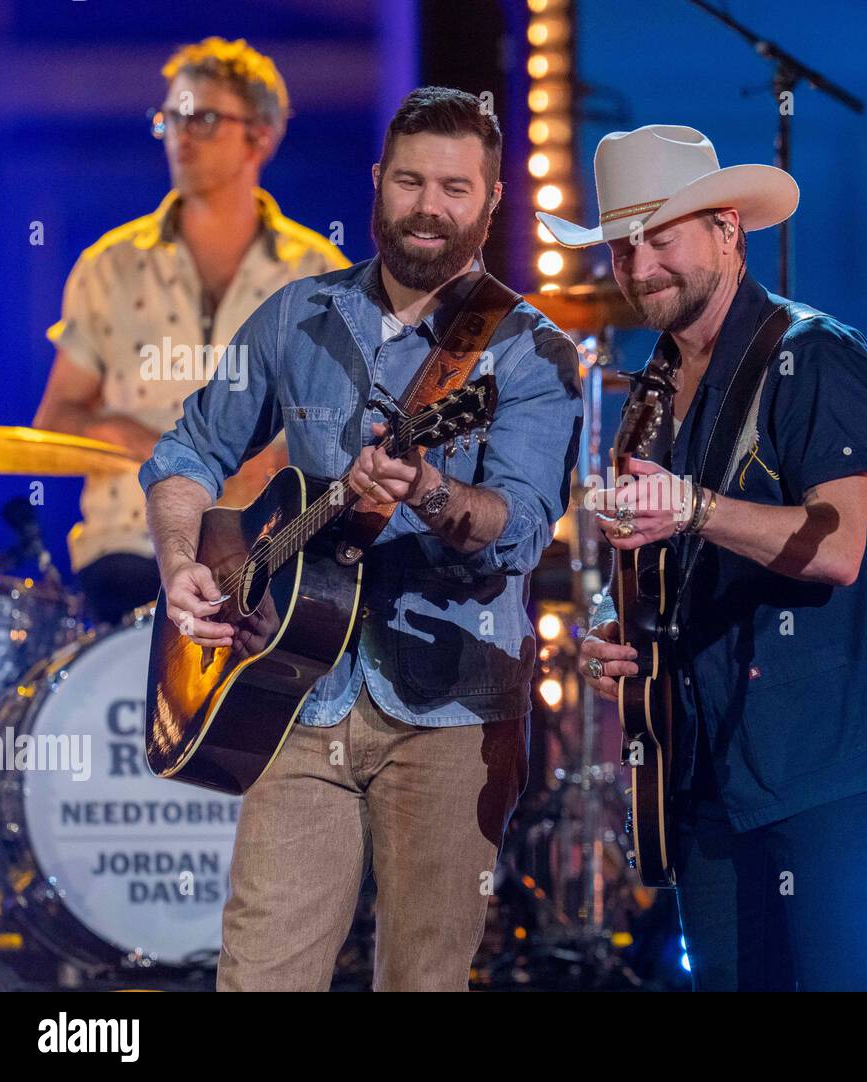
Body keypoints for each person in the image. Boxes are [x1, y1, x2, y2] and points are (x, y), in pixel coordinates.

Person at [139, 86, 582, 991]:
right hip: (294, 698)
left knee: (423, 979)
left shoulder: (531, 353)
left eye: (457, 189)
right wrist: (183, 561)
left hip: (454, 710)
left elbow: (523, 529)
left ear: (493, 200)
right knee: (259, 974)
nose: (430, 207)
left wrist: (429, 489)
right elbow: (188, 451)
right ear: (378, 184)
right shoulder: (297, 315)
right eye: (411, 181)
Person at [549, 125, 867, 991]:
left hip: (825, 764)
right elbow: (653, 557)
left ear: (729, 232)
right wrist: (609, 629)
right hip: (706, 768)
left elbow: (838, 546)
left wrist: (695, 507)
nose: (639, 263)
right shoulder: (653, 388)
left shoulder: (816, 354)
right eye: (624, 246)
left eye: (662, 238)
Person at [35, 36, 348, 625]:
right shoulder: (110, 265)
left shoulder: (315, 273)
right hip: (126, 551)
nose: (181, 133)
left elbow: (340, 430)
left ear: (261, 135)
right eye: (170, 117)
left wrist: (274, 458)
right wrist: (139, 440)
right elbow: (53, 424)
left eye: (203, 118)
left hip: (263, 552)